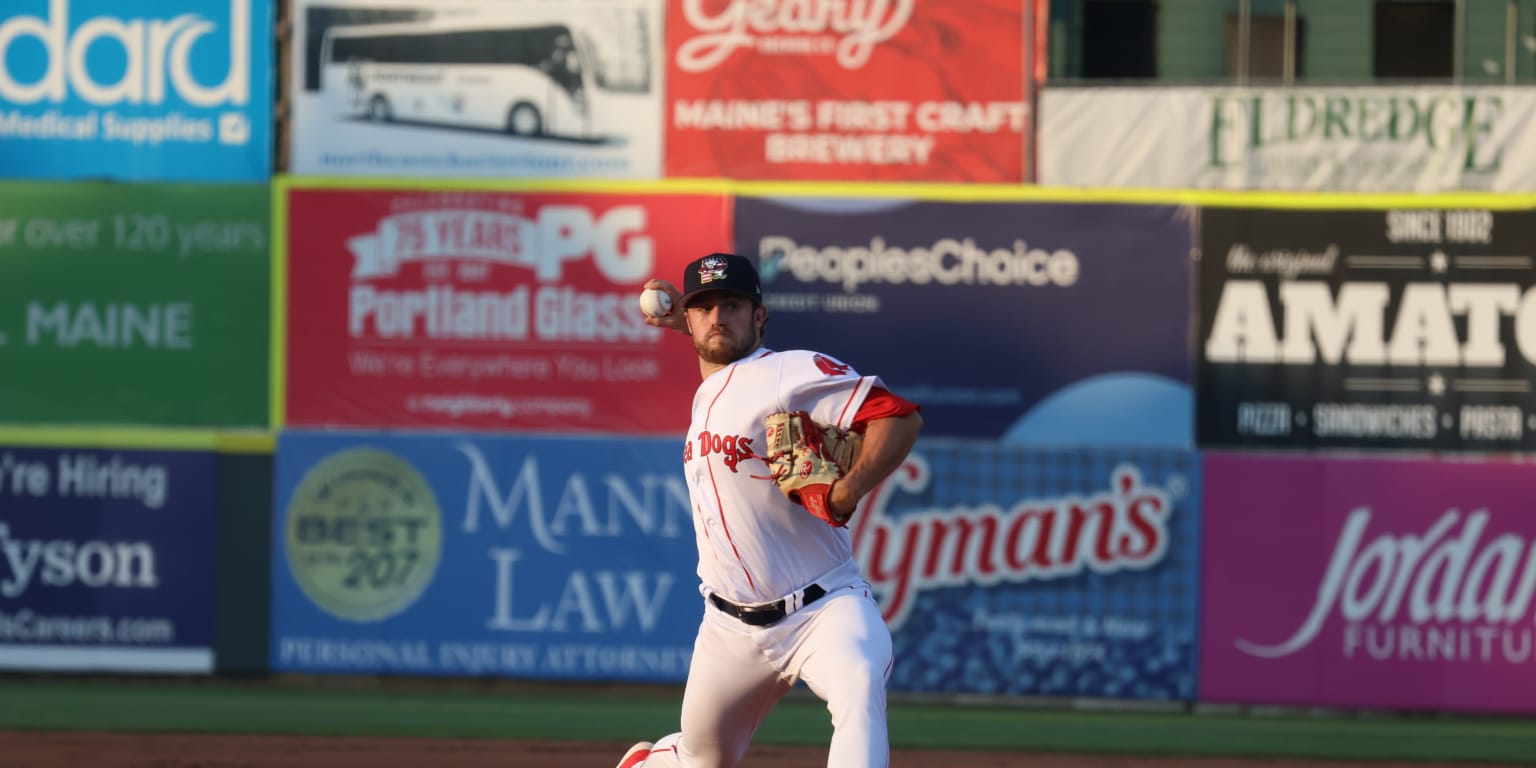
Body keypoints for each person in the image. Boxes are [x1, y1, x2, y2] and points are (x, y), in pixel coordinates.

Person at [616, 253, 923, 768]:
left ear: (760, 316)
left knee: (858, 686)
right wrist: (685, 324)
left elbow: (898, 419)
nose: (718, 317)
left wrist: (846, 492)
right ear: (688, 318)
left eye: (732, 305)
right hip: (729, 629)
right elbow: (721, 358)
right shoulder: (712, 386)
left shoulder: (789, 370)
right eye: (705, 307)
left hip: (823, 609)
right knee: (700, 759)